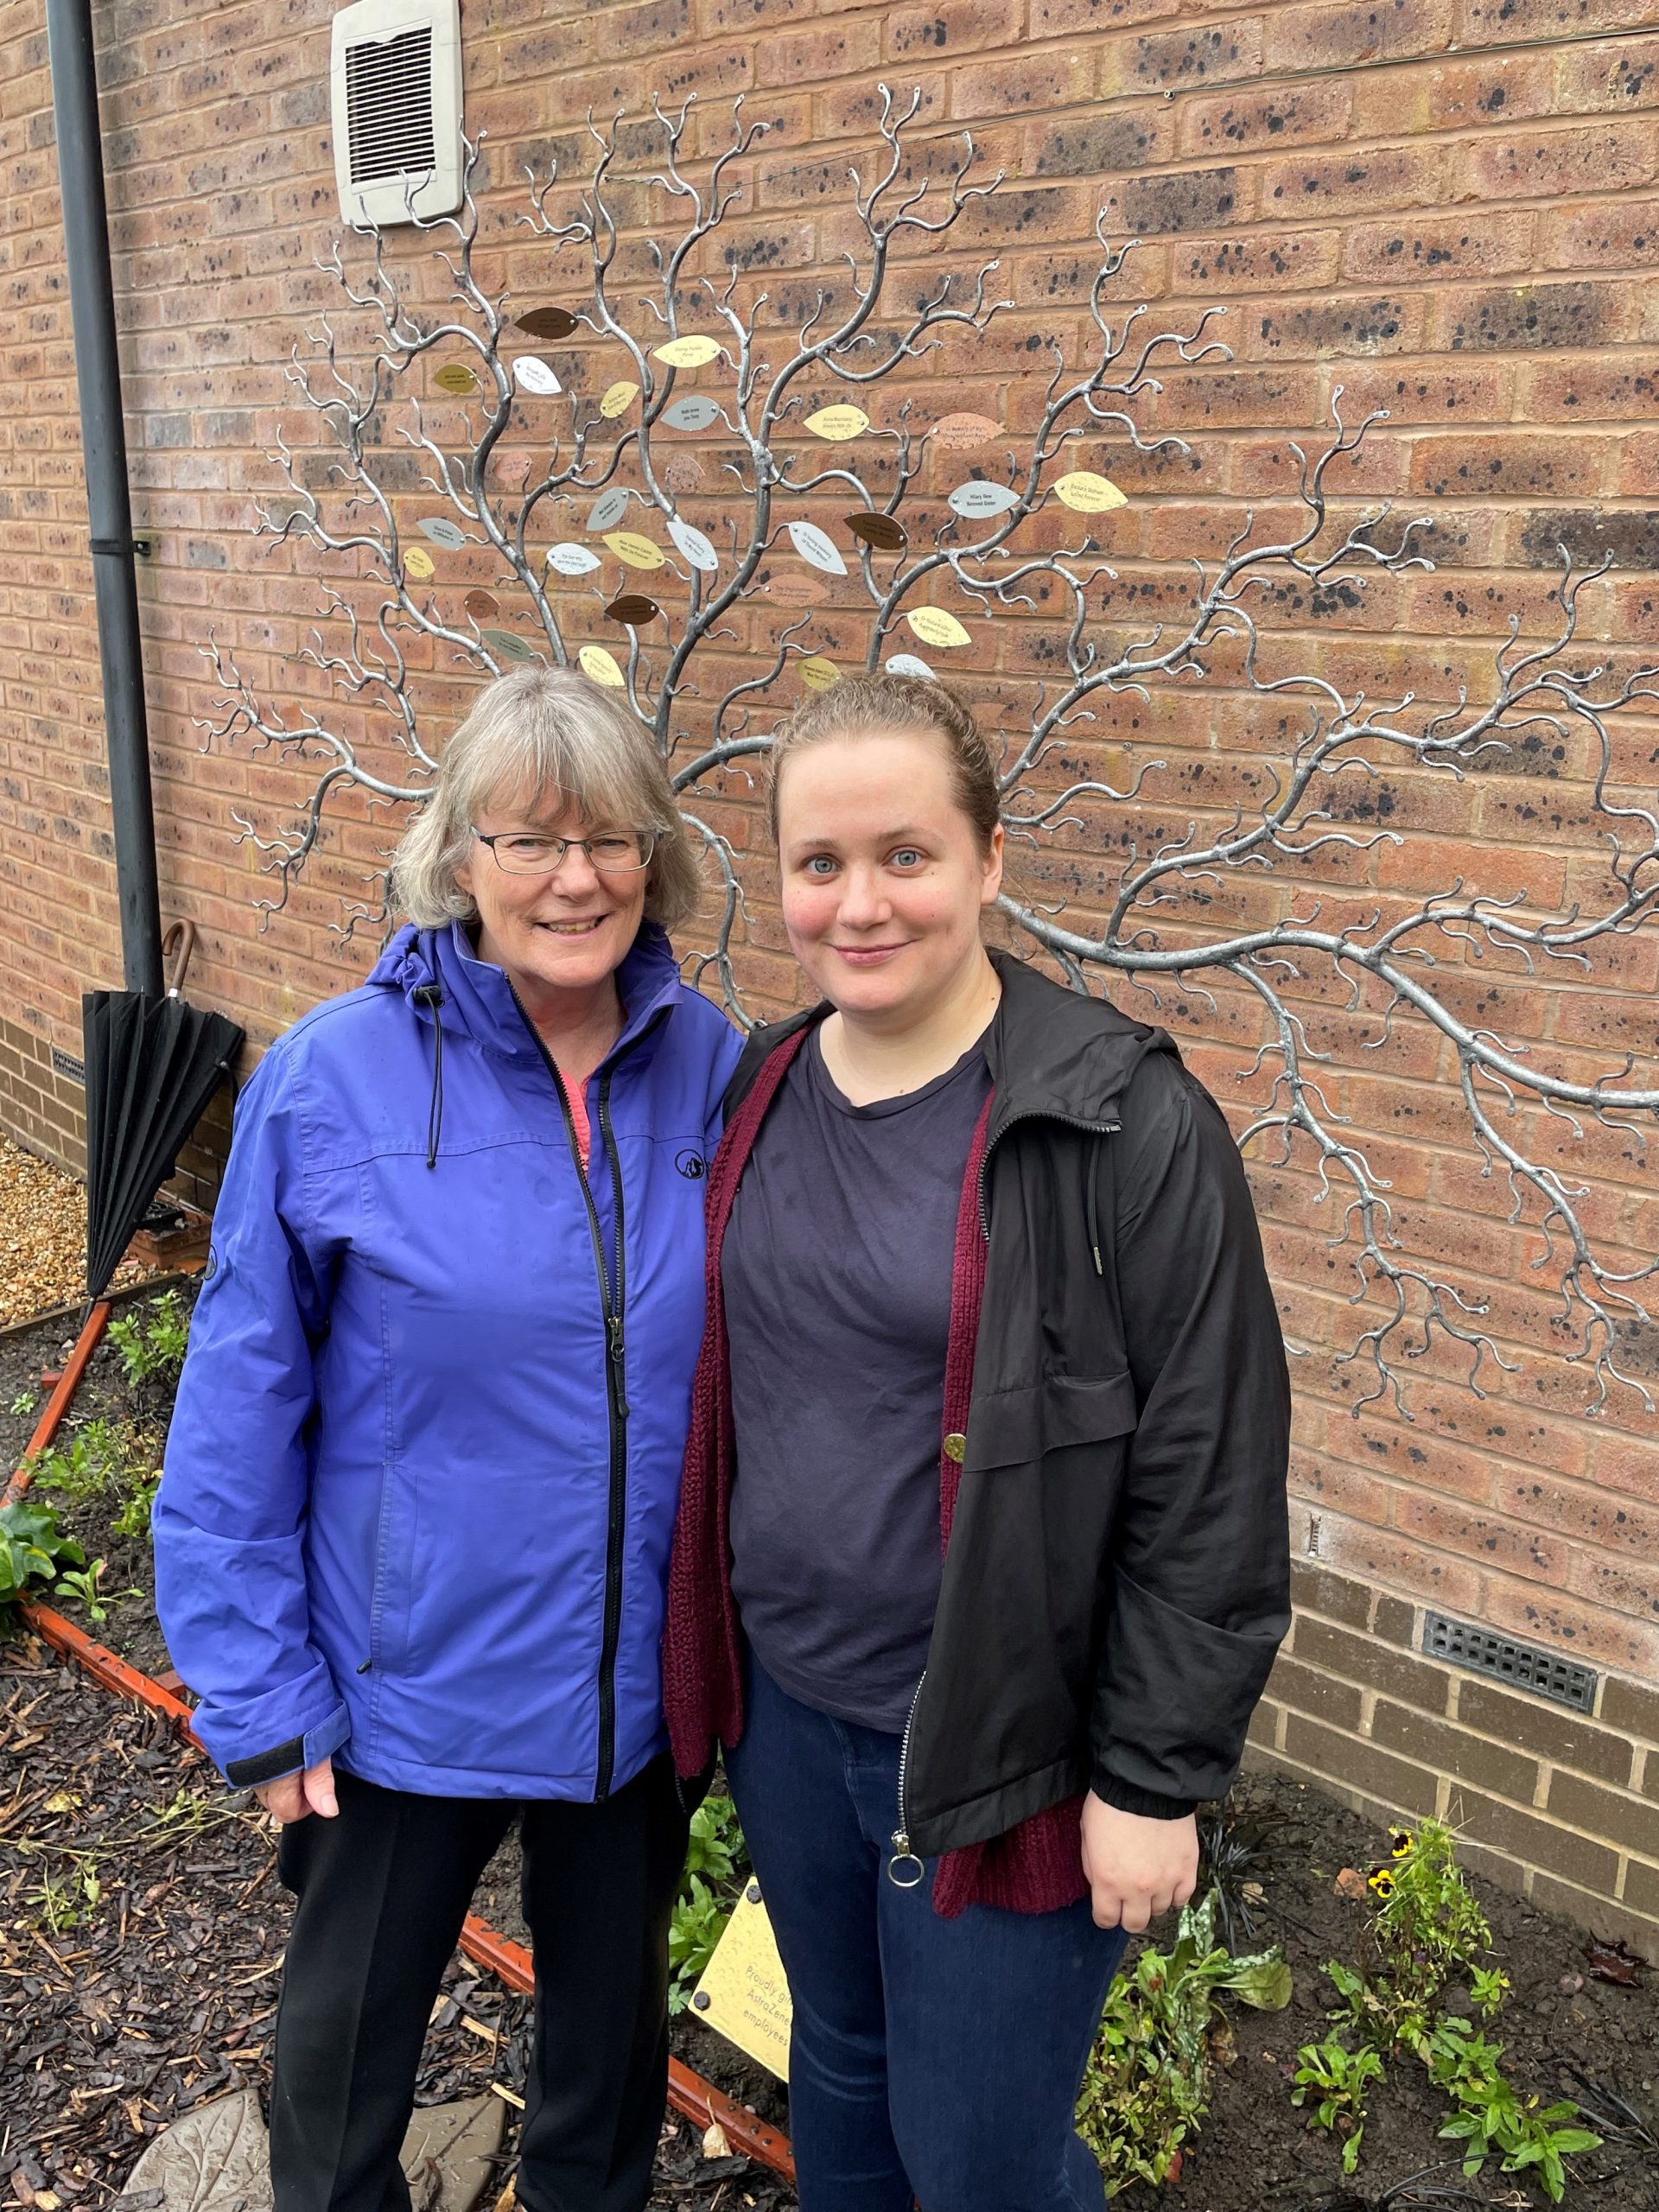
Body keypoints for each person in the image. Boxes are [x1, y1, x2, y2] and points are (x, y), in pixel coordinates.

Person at [663, 673, 1291, 2212]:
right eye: (820, 864)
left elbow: (1208, 1475)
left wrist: (1152, 1782)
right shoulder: (759, 1089)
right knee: (847, 2071)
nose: (859, 904)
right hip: (788, 1716)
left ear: (991, 862)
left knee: (982, 2155)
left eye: (907, 855)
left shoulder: (1118, 1123)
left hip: (1004, 1748)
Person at [155, 667, 742, 2212]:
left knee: (603, 2085)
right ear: (457, 857)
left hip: (629, 1697)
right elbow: (233, 1415)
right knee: (343, 2084)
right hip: (400, 1692)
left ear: (658, 859)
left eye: (611, 837)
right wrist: (260, 1693)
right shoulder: (330, 1081)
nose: (575, 876)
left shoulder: (715, 1069)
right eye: (530, 837)